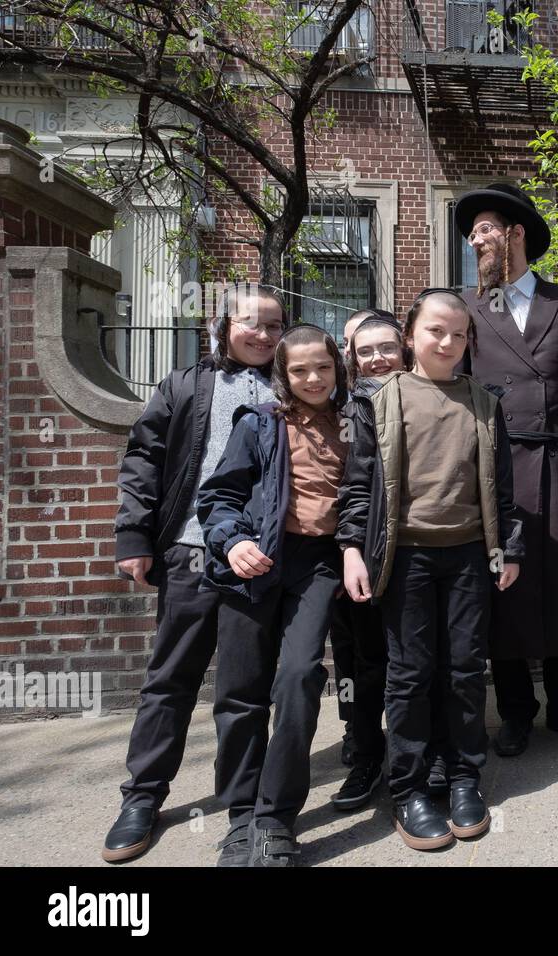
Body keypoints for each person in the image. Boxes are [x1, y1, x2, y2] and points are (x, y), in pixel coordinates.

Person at [338, 288, 524, 850]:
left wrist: (508, 549)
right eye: (435, 331)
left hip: (470, 554)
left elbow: (504, 491)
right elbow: (357, 486)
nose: (448, 342)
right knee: (410, 674)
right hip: (407, 559)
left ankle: (465, 776)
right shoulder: (378, 402)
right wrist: (352, 548)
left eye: (459, 334)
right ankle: (410, 787)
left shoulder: (485, 404)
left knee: (465, 670)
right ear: (411, 336)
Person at [104, 284, 284, 863]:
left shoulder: (290, 391)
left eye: (274, 325)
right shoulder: (185, 384)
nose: (262, 334)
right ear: (223, 325)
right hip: (187, 555)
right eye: (251, 322)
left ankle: (243, 807)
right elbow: (144, 456)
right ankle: (142, 797)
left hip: (255, 563)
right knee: (169, 681)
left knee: (244, 690)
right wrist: (134, 534)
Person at [455, 183, 558, 754]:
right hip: (496, 467)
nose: (477, 241)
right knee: (506, 589)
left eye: (486, 230)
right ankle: (516, 709)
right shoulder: (468, 309)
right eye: (472, 235)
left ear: (516, 233)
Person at [199, 324, 349, 866]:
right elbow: (219, 495)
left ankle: (276, 817)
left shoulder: (355, 425)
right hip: (256, 562)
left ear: (338, 368)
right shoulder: (260, 425)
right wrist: (233, 539)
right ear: (283, 375)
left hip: (319, 566)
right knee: (240, 690)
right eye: (300, 369)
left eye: (324, 367)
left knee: (299, 677)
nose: (313, 378)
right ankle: (242, 819)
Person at [328, 309, 406, 812]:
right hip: (351, 551)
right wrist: (349, 547)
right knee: (359, 660)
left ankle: (414, 753)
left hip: (409, 551)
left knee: (409, 660)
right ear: (349, 356)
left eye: (385, 345)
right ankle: (363, 749)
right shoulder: (337, 406)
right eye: (361, 346)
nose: (375, 355)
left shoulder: (426, 396)